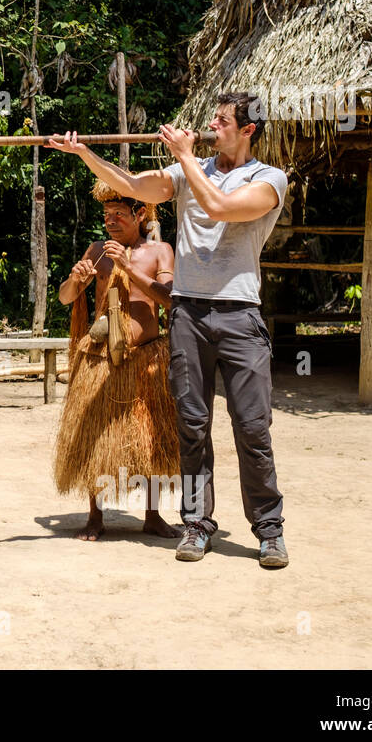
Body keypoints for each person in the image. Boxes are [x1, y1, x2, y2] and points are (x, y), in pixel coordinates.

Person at [47, 91, 290, 569]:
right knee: (192, 427)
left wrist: (184, 156)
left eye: (221, 121)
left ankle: (268, 531)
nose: (211, 126)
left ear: (248, 130)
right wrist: (85, 155)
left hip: (239, 314)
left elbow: (219, 207)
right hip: (188, 316)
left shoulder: (267, 179)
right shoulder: (186, 172)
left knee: (252, 428)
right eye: (212, 119)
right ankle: (197, 525)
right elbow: (134, 186)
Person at [52, 180, 180, 541]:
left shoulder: (160, 252)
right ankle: (95, 516)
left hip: (147, 360)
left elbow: (171, 299)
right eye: (107, 215)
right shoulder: (96, 250)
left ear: (141, 214)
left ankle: (153, 516)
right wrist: (75, 281)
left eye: (119, 214)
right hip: (100, 359)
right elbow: (64, 298)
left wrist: (128, 266)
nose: (110, 221)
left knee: (152, 438)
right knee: (95, 437)